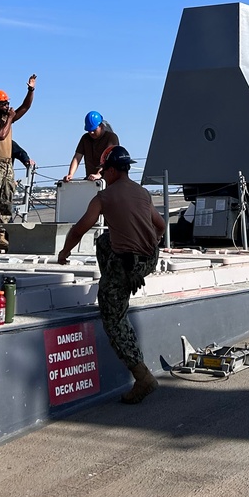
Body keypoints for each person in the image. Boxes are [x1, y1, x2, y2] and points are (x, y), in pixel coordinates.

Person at [57, 145, 164, 405]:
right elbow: (160, 226)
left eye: (105, 171)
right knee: (104, 241)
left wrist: (64, 253)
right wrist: (144, 252)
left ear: (113, 170)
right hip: (149, 257)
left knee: (113, 319)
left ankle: (142, 377)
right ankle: (119, 281)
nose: (102, 175)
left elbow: (79, 229)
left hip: (129, 264)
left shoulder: (104, 198)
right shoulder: (142, 193)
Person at [0, 76, 36, 250]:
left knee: (6, 201)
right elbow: (0, 135)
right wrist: (9, 118)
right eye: (3, 104)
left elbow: (25, 107)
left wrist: (30, 90)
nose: (7, 107)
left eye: (7, 103)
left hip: (7, 165)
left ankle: (0, 235)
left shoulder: (6, 119)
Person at [61, 111, 119, 184]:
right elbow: (77, 157)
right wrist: (70, 174)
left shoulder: (111, 137)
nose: (91, 133)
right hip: (91, 181)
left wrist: (99, 174)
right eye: (89, 130)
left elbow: (108, 158)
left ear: (102, 126)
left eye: (94, 130)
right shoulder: (85, 138)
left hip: (109, 182)